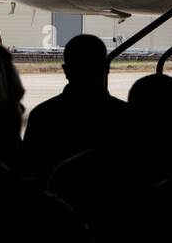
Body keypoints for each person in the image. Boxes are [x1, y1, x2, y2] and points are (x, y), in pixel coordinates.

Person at [14, 34, 128, 180]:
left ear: (66, 70)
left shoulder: (43, 116)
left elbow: (30, 172)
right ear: (106, 68)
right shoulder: (127, 116)